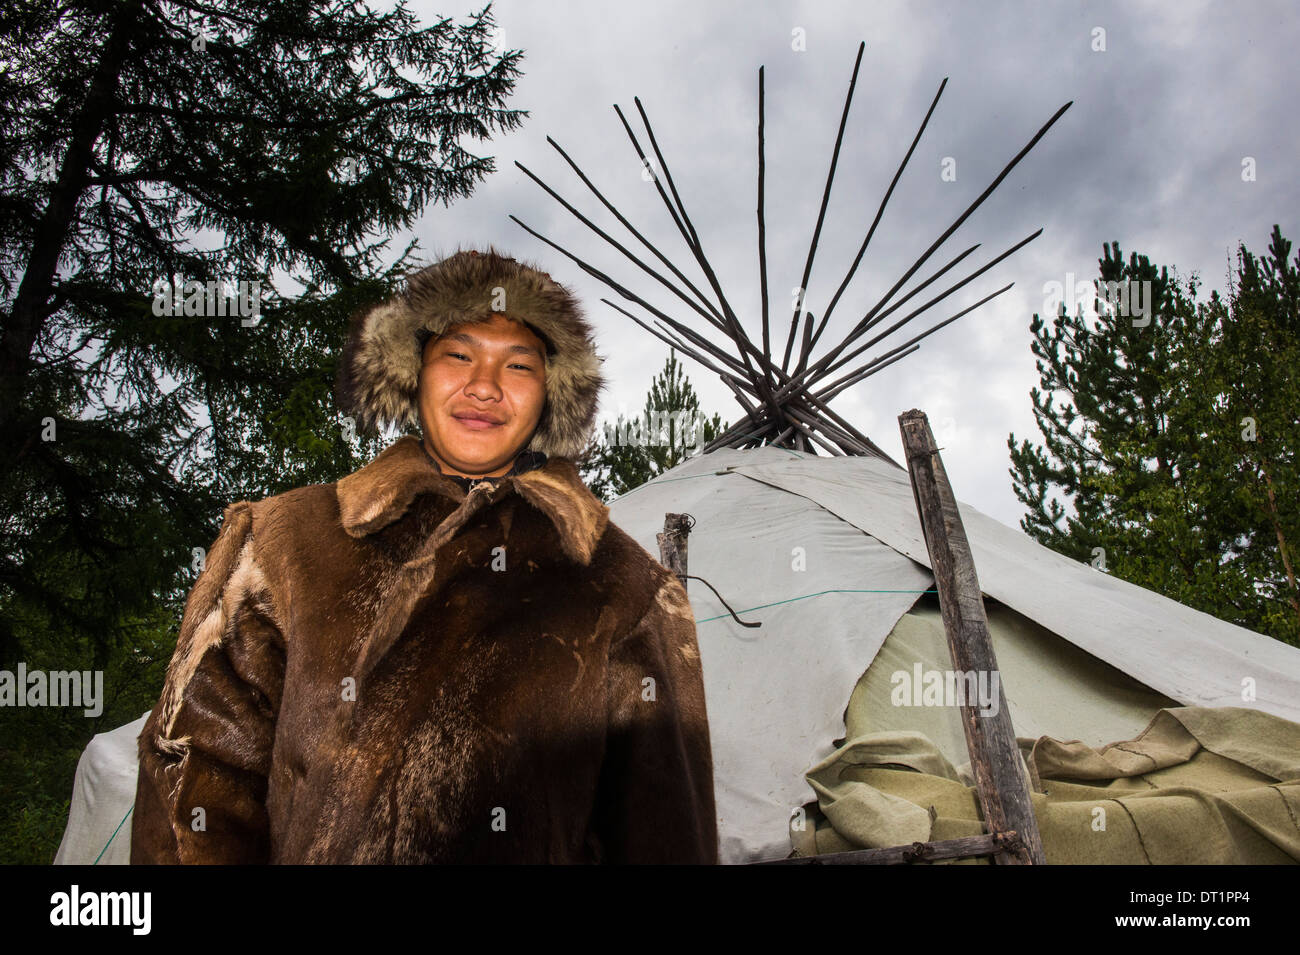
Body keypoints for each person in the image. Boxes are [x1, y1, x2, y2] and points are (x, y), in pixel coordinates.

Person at [131, 248, 718, 864]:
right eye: (459, 355)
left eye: (518, 366)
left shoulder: (620, 583)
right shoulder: (287, 541)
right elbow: (194, 779)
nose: (484, 387)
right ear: (414, 372)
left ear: (549, 397)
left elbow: (663, 830)